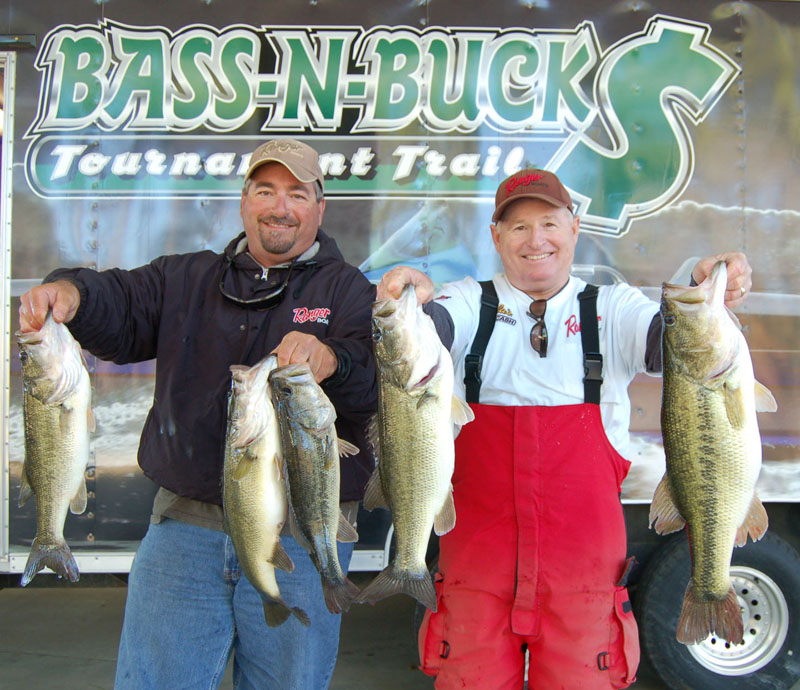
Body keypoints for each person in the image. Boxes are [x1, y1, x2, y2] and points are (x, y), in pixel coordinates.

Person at [18, 138, 378, 690]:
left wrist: (336, 359)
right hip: (184, 531)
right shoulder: (183, 278)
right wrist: (72, 294)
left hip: (304, 535)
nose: (280, 207)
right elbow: (117, 304)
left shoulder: (349, 290)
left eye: (297, 193)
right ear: (243, 201)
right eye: (265, 190)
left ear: (319, 208)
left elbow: (379, 386)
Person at [376, 168, 752, 690]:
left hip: (583, 579)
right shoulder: (465, 302)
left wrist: (701, 284)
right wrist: (407, 306)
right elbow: (428, 332)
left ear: (574, 227)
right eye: (519, 227)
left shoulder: (612, 307)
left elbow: (669, 340)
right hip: (474, 577)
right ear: (496, 236)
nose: (536, 241)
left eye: (550, 223)